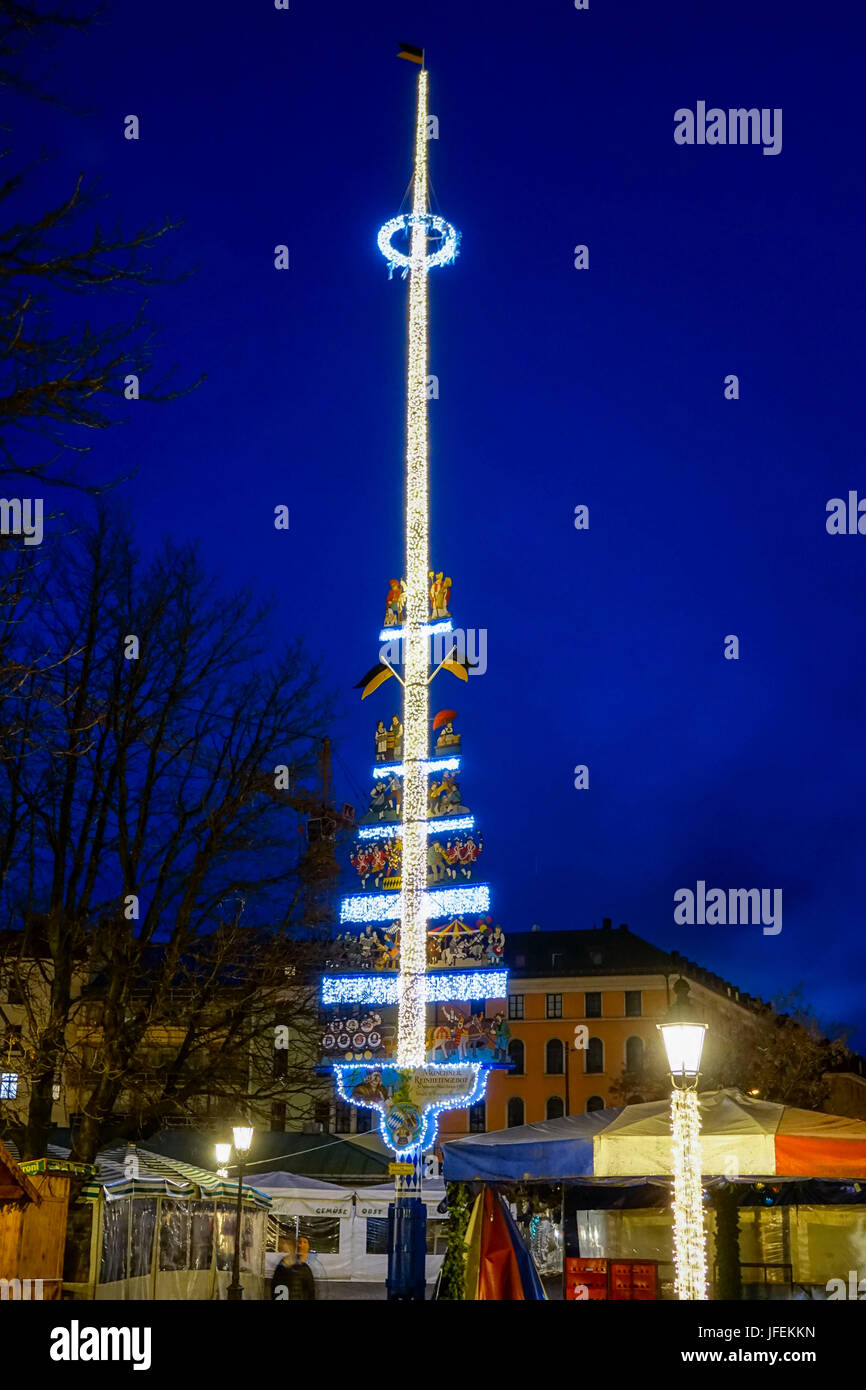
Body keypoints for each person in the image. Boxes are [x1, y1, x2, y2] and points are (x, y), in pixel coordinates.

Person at [271, 1235, 316, 1301]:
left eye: (286, 1244)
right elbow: (274, 1291)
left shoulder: (304, 1269)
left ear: (292, 1247)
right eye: (281, 1244)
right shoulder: (279, 1269)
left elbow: (311, 1293)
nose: (283, 1247)